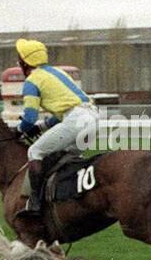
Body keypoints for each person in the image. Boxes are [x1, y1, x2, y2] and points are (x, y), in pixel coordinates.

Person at [13, 38, 98, 220]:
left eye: (19, 59)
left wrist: (20, 129)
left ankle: (34, 203)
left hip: (76, 119)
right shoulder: (57, 72)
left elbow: (29, 118)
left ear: (24, 62)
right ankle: (68, 202)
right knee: (63, 158)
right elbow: (61, 112)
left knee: (35, 151)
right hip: (93, 118)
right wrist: (41, 127)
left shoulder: (32, 81)